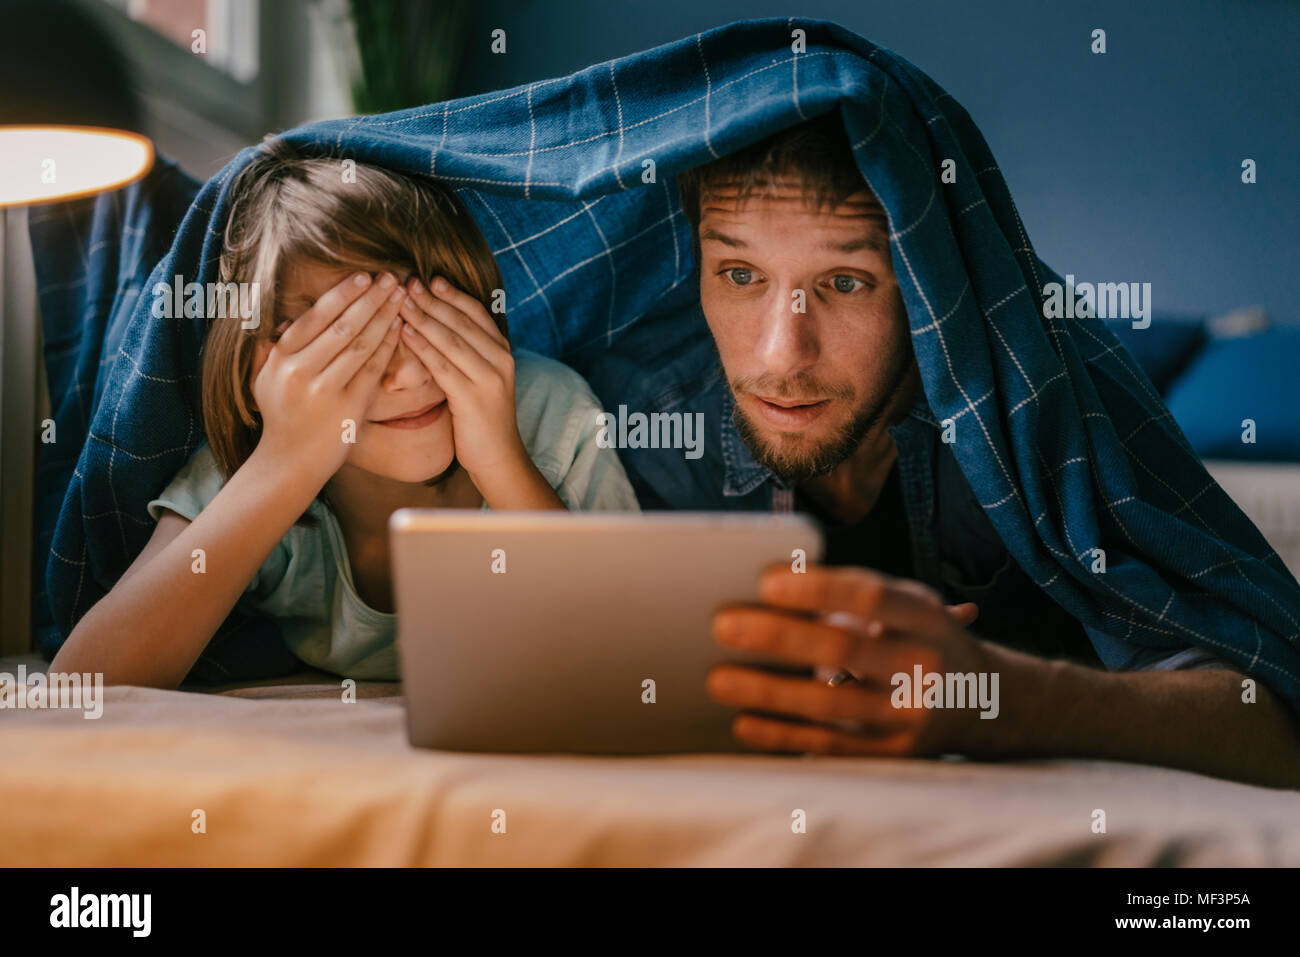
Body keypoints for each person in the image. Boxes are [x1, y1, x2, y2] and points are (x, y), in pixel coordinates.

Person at [611, 113, 1300, 787]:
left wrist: (1002, 698)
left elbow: (1275, 723)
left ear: (927, 285)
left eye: (845, 282)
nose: (781, 356)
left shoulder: (1040, 405)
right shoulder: (656, 422)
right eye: (739, 274)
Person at [49, 139, 638, 688]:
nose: (407, 376)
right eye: (347, 340)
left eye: (427, 323)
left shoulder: (551, 413)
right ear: (267, 372)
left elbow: (634, 652)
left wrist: (503, 463)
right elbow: (86, 684)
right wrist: (287, 465)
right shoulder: (254, 458)